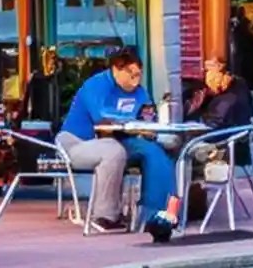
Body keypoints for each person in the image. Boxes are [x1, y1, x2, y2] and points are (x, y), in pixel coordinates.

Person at [55, 47, 174, 232]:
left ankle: (158, 212)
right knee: (113, 151)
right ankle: (105, 216)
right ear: (117, 69)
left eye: (139, 75)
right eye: (131, 74)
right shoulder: (96, 85)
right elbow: (101, 118)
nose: (135, 81)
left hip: (120, 138)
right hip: (78, 142)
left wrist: (149, 125)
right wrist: (130, 122)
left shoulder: (140, 92)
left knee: (156, 151)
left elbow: (148, 114)